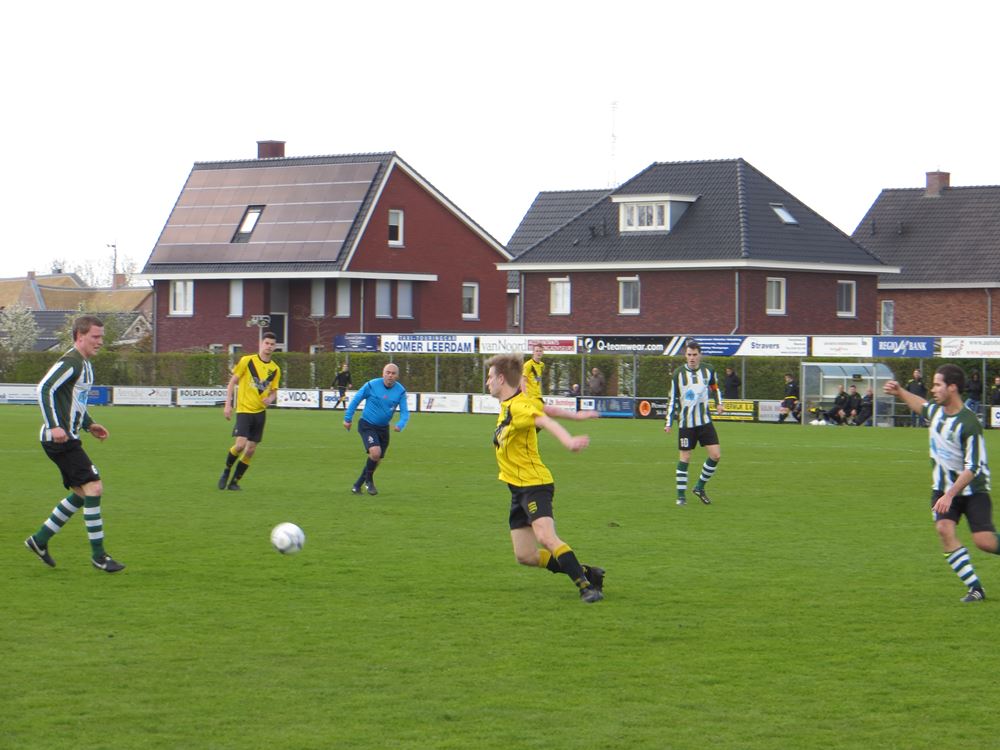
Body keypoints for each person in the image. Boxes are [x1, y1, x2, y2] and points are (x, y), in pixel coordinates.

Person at [486, 353, 604, 603]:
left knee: (545, 537)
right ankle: (588, 573)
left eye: (489, 378)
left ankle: (586, 588)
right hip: (517, 489)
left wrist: (568, 440)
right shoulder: (513, 404)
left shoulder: (519, 407)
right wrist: (577, 416)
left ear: (501, 378)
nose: (487, 383)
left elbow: (543, 419)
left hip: (534, 484)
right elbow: (545, 407)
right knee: (525, 556)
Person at [885, 364, 1000, 603]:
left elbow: (973, 467)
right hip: (942, 488)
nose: (933, 389)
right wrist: (900, 392)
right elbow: (921, 406)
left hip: (972, 490)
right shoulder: (936, 412)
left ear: (953, 387)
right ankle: (975, 589)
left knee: (985, 542)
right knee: (944, 529)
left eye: (938, 384)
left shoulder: (969, 424)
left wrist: (950, 495)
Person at [24, 315, 125, 573]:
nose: (100, 342)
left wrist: (89, 423)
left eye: (101, 337)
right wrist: (54, 425)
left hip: (69, 436)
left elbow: (74, 401)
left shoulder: (85, 364)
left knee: (82, 493)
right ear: (80, 336)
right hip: (59, 439)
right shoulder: (70, 361)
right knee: (94, 488)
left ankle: (39, 540)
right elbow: (44, 388)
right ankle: (99, 556)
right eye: (95, 337)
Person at [217, 331, 281, 491]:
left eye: (272, 344)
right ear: (261, 344)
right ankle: (226, 471)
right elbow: (232, 383)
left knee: (251, 449)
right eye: (266, 343)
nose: (269, 347)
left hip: (260, 413)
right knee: (240, 445)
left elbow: (274, 391)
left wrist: (270, 399)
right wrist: (228, 404)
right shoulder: (247, 361)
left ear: (275, 347)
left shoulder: (275, 369)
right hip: (244, 410)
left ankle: (234, 482)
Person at [664, 339, 723, 506]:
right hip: (686, 424)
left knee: (716, 455)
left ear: (700, 355)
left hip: (704, 421)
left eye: (694, 355)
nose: (691, 358)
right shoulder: (677, 374)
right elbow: (672, 399)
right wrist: (668, 422)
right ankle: (681, 497)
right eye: (689, 355)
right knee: (685, 456)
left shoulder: (709, 370)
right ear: (685, 355)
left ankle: (699, 487)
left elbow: (715, 388)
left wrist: (719, 403)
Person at [344, 363, 409, 495]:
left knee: (376, 460)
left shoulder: (400, 391)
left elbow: (405, 412)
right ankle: (369, 481)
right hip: (367, 424)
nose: (390, 375)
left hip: (383, 429)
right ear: (383, 373)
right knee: (375, 453)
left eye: (393, 373)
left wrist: (400, 424)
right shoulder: (372, 385)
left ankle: (357, 485)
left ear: (397, 376)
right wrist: (347, 418)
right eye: (388, 372)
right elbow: (356, 399)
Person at [520, 343, 598, 421]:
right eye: (536, 351)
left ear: (543, 352)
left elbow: (537, 381)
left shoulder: (541, 365)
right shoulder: (528, 365)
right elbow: (523, 380)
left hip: (538, 396)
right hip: (530, 397)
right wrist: (524, 396)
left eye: (540, 351)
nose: (538, 353)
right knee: (542, 418)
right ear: (533, 352)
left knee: (541, 420)